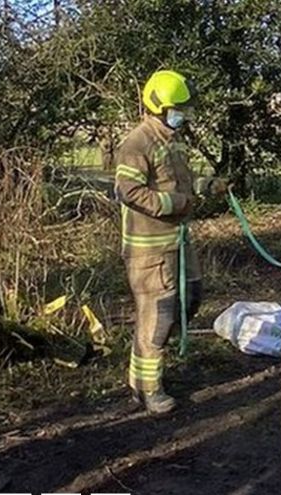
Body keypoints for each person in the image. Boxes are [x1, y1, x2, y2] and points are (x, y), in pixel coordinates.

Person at [114, 69, 226, 413]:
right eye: (178, 109)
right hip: (150, 250)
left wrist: (206, 187)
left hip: (177, 241)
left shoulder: (172, 140)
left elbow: (180, 186)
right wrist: (176, 204)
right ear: (158, 107)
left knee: (190, 299)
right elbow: (128, 191)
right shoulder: (138, 143)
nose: (184, 115)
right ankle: (149, 389)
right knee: (158, 316)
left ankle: (140, 376)